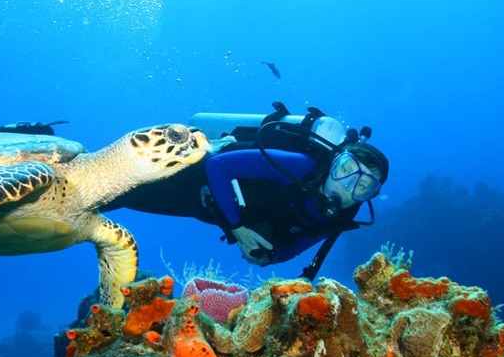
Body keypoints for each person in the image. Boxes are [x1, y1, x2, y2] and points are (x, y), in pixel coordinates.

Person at [104, 102, 390, 280]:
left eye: (363, 187)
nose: (348, 186)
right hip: (194, 178)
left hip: (206, 208)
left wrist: (268, 256)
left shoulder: (339, 217)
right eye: (345, 171)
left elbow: (296, 247)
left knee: (119, 197)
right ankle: (65, 160)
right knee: (117, 190)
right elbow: (217, 167)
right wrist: (239, 227)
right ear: (333, 164)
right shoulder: (301, 166)